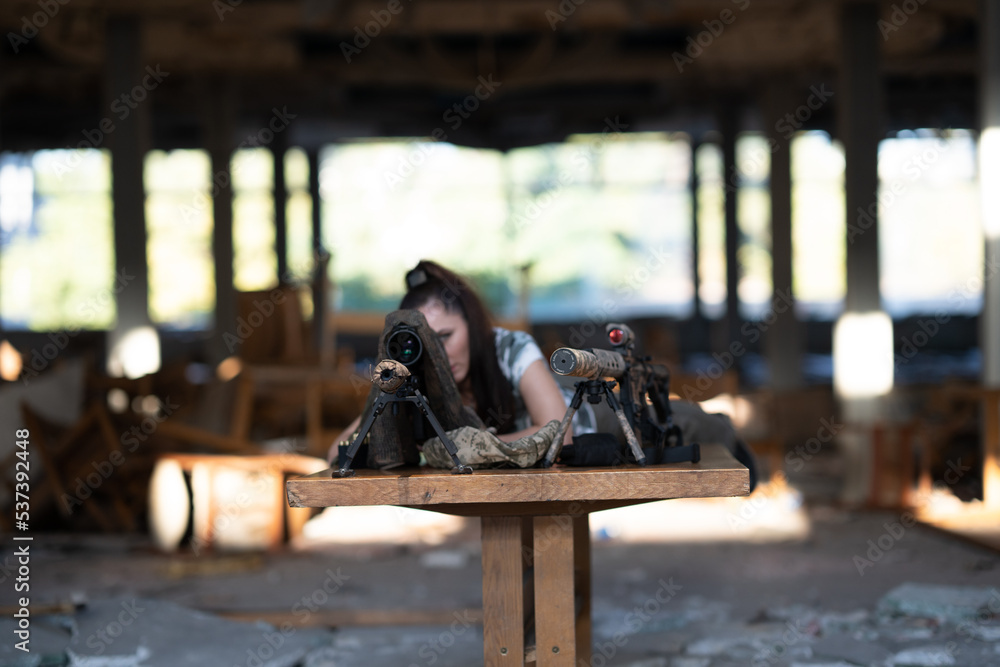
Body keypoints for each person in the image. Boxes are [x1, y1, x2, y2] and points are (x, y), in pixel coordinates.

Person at [328, 260, 593, 463]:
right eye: (428, 343)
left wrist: (475, 446)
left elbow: (561, 436)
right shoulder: (413, 374)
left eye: (445, 336)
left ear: (472, 325)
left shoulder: (511, 348)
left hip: (591, 425)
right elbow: (335, 454)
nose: (439, 354)